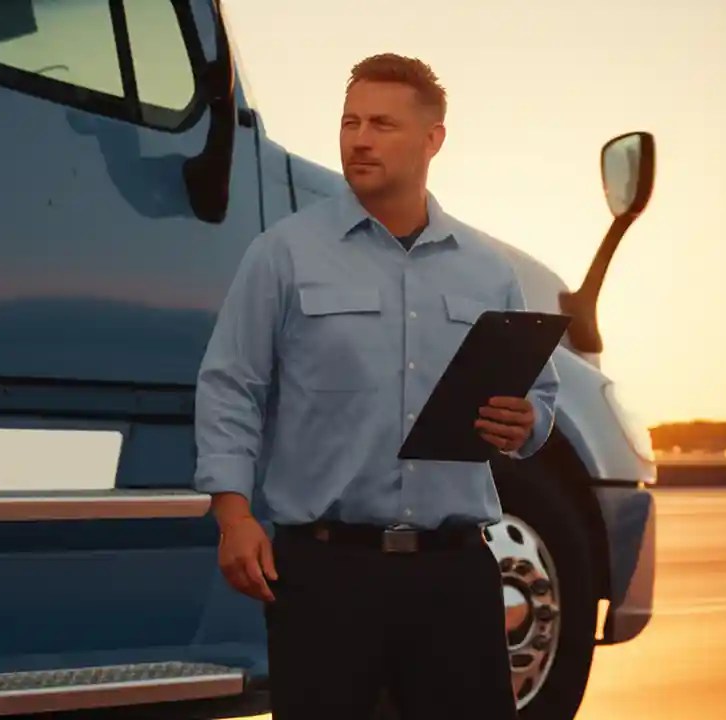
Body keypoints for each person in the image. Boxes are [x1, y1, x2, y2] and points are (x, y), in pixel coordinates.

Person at [193, 53, 560, 720]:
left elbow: (543, 399)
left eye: (383, 124)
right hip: (327, 576)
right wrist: (234, 516)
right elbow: (231, 385)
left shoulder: (488, 271)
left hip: (455, 575)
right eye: (350, 121)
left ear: (433, 139)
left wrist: (528, 422)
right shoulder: (284, 253)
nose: (359, 139)